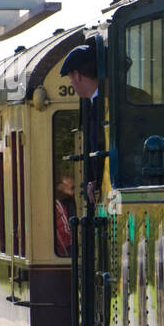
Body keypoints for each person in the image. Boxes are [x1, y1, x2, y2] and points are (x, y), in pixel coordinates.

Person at [60, 44, 104, 206]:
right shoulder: (95, 104)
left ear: (77, 75)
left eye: (70, 78)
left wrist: (97, 180)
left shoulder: (102, 105)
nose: (71, 83)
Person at [54, 174, 76, 257]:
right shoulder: (58, 206)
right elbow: (64, 234)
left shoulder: (65, 204)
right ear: (60, 187)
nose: (73, 192)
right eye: (72, 188)